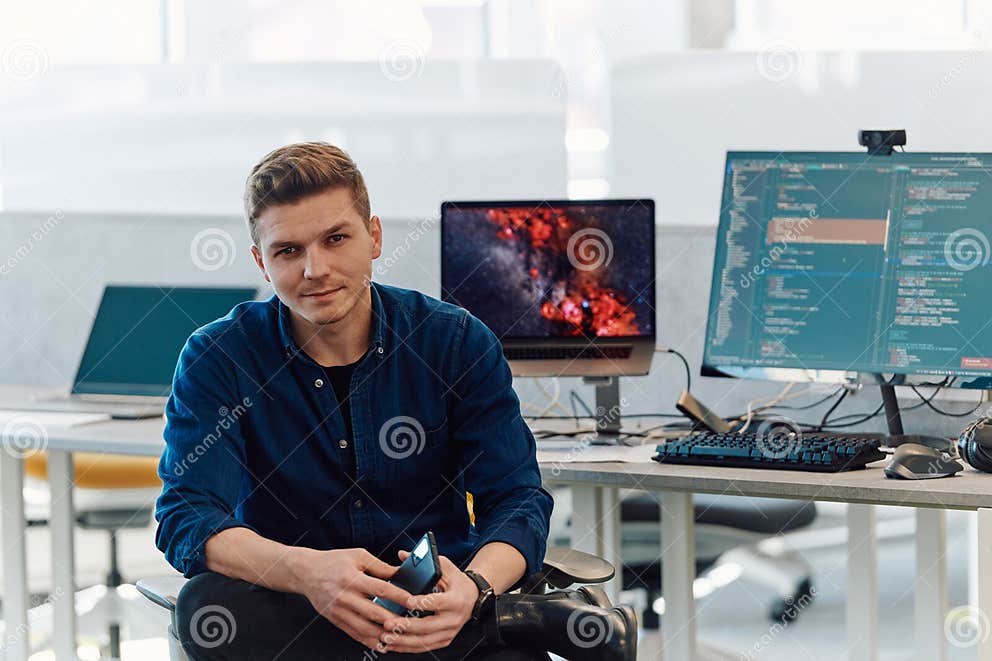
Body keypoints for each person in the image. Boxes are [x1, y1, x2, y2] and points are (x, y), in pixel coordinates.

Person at [155, 142, 635, 660]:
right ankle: (519, 620)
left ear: (374, 236)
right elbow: (188, 514)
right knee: (206, 605)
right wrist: (306, 571)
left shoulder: (454, 342)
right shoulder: (218, 356)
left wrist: (475, 587)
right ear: (261, 262)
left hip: (440, 609)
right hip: (301, 610)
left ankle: (494, 616)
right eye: (288, 251)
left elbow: (517, 499)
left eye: (336, 239)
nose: (315, 269)